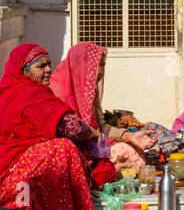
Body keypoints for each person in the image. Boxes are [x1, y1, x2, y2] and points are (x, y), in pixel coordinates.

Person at [0, 43, 102, 210]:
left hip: (9, 171)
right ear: (23, 71)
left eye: (49, 64)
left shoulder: (7, 91)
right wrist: (95, 134)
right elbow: (71, 128)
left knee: (60, 149)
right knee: (61, 149)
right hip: (3, 179)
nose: (48, 70)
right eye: (41, 66)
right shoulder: (28, 94)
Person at [49, 41, 154, 179]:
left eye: (103, 65)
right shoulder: (57, 90)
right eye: (95, 65)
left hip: (92, 146)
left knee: (134, 152)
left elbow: (102, 126)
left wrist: (131, 137)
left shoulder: (91, 90)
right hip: (70, 153)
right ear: (78, 64)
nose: (100, 71)